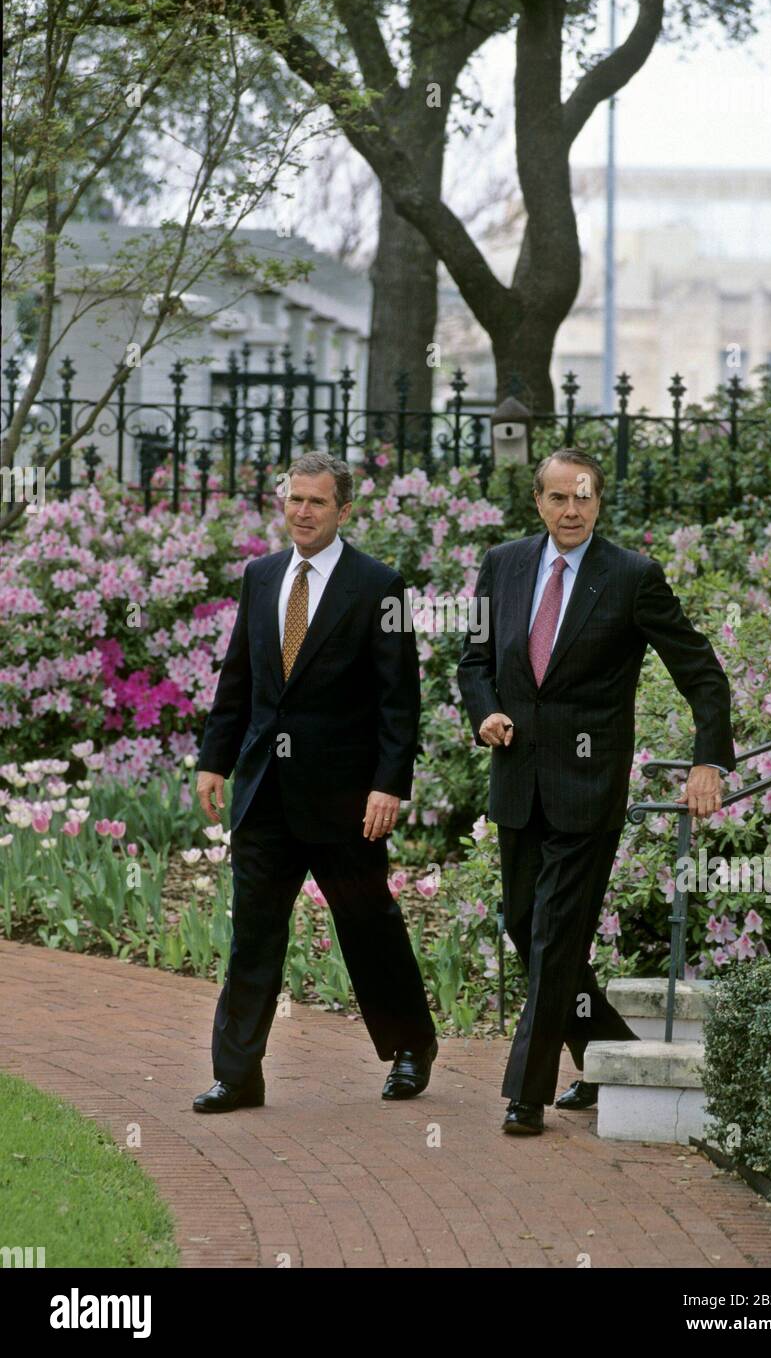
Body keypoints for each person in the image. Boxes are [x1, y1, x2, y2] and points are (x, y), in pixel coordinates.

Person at [457, 448, 734, 1135]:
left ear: (599, 502)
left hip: (587, 789)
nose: (570, 510)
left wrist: (708, 762)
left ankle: (526, 1093)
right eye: (557, 498)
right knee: (526, 927)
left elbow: (701, 671)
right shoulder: (504, 564)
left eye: (583, 497)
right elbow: (473, 660)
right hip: (517, 782)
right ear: (538, 501)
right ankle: (610, 1054)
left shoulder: (631, 577)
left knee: (552, 935)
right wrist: (484, 710)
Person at [192, 451, 437, 1113]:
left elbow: (398, 701)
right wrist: (214, 759)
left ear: (344, 510)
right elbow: (238, 678)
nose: (301, 512)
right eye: (294, 499)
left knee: (368, 925)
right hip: (265, 791)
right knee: (254, 936)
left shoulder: (378, 585)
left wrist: (389, 784)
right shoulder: (262, 576)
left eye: (316, 502)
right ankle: (238, 1074)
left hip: (347, 800)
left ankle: (411, 1048)